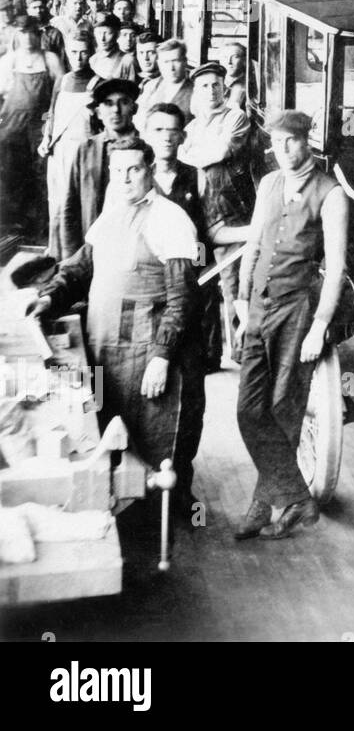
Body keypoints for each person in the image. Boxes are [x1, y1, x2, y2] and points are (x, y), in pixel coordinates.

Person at [27, 137, 199, 476]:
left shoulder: (170, 218)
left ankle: (171, 522)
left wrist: (162, 357)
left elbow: (183, 299)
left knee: (153, 455)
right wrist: (49, 298)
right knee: (105, 441)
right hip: (104, 351)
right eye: (116, 170)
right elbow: (78, 269)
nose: (123, 178)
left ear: (149, 171)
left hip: (144, 357)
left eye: (133, 169)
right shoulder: (112, 214)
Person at [233, 110, 348, 541]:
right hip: (259, 307)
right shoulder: (268, 184)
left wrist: (320, 325)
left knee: (284, 409)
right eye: (276, 142)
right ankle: (298, 497)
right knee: (247, 411)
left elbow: (335, 268)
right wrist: (241, 300)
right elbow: (252, 246)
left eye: (291, 142)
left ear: (307, 142)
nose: (282, 150)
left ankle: (264, 505)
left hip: (297, 309)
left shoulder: (330, 193)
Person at [144, 102, 211, 514]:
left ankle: (182, 488)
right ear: (147, 133)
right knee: (144, 394)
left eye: (174, 130)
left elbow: (209, 234)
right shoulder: (131, 176)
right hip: (145, 301)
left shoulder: (196, 178)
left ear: (183, 136)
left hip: (186, 301)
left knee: (191, 399)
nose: (167, 137)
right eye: (159, 130)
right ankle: (144, 487)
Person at [180, 61, 255, 369]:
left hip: (230, 211)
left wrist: (192, 156)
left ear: (225, 88)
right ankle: (209, 355)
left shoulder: (237, 118)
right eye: (204, 86)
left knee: (235, 282)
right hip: (200, 212)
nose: (210, 90)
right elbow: (182, 156)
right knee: (202, 281)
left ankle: (243, 354)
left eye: (215, 84)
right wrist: (193, 156)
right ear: (196, 92)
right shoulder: (192, 127)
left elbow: (219, 153)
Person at [61, 78, 140, 256]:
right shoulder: (85, 149)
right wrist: (70, 256)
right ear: (98, 112)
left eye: (123, 102)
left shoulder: (146, 147)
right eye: (108, 103)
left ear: (134, 108)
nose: (116, 110)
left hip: (132, 249)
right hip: (91, 249)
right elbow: (70, 206)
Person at [40, 30, 100, 260]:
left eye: (84, 52)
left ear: (91, 52)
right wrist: (46, 136)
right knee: (55, 205)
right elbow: (50, 113)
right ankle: (55, 255)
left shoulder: (98, 84)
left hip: (84, 155)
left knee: (77, 208)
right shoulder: (62, 80)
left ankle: (76, 261)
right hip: (59, 152)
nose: (78, 57)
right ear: (66, 51)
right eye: (73, 52)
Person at [0, 17, 62, 235]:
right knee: (13, 173)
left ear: (39, 33)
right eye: (22, 33)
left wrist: (50, 122)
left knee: (41, 173)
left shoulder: (50, 59)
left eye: (32, 32)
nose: (27, 38)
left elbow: (61, 93)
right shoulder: (9, 61)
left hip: (41, 124)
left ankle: (41, 226)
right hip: (12, 126)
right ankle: (14, 226)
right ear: (16, 34)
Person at [139, 38, 192, 120]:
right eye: (166, 62)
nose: (171, 68)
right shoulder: (151, 86)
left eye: (176, 61)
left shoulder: (196, 91)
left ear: (185, 61)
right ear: (159, 64)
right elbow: (139, 118)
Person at [89, 12, 137, 81]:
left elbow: (133, 90)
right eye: (99, 33)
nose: (102, 39)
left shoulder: (127, 61)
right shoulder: (93, 60)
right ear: (94, 34)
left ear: (117, 34)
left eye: (108, 33)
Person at [24, 0, 66, 71]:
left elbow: (62, 59)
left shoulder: (54, 33)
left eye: (41, 7)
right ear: (28, 11)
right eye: (34, 8)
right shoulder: (23, 34)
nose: (38, 11)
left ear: (46, 9)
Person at [220, 41, 248, 111]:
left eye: (235, 57)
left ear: (244, 60)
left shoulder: (248, 84)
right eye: (225, 57)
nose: (229, 62)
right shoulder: (216, 81)